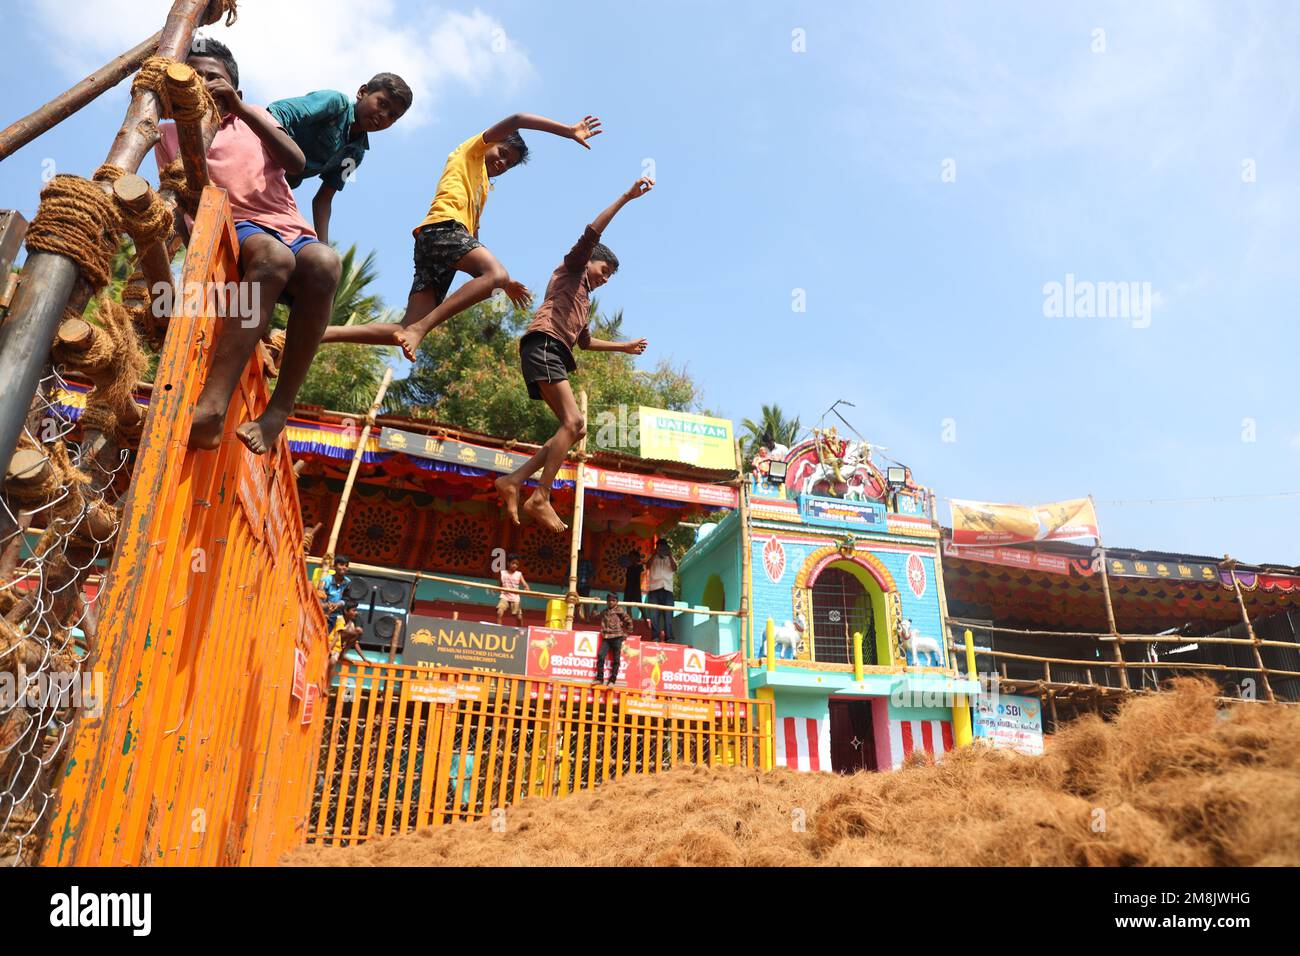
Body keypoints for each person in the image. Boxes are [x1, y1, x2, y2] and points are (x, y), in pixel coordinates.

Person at [155, 38, 343, 455]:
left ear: (233, 89)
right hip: (231, 225)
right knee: (273, 258)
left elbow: (296, 163)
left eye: (214, 77)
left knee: (325, 263)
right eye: (194, 76)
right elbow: (177, 196)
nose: (204, 83)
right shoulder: (168, 134)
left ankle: (278, 410)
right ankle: (213, 406)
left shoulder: (254, 117)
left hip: (286, 224)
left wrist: (241, 110)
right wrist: (192, 251)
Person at [320, 111, 604, 361]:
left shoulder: (483, 188)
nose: (503, 163)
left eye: (509, 164)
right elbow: (518, 119)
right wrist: (567, 131)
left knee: (404, 329)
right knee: (494, 276)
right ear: (490, 142)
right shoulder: (470, 153)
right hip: (441, 229)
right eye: (503, 153)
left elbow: (473, 238)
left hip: (439, 245)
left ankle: (324, 333)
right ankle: (422, 328)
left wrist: (505, 284)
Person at [493, 177, 654, 532]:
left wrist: (624, 347)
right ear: (590, 261)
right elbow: (592, 232)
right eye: (604, 271)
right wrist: (626, 197)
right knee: (574, 421)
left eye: (610, 277)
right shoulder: (573, 269)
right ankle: (540, 496)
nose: (605, 279)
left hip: (553, 350)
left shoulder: (583, 299)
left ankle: (514, 480)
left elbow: (584, 342)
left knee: (575, 429)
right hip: (544, 344)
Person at [267, 74, 412, 244]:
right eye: (382, 104)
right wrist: (287, 153)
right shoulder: (335, 103)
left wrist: (324, 245)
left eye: (392, 115)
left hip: (277, 188)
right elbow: (276, 112)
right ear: (362, 92)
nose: (384, 115)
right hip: (260, 159)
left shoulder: (356, 155)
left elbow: (324, 199)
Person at [591, 592, 634, 686]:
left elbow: (629, 621)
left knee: (616, 660)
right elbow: (594, 616)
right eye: (609, 600)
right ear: (607, 601)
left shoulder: (620, 610)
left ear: (617, 602)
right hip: (606, 638)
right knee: (601, 656)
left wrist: (626, 634)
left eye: (613, 600)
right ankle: (599, 679)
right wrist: (595, 604)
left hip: (617, 637)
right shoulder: (605, 611)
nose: (611, 602)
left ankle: (612, 680)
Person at [645, 540, 677, 643]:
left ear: (667, 548)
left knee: (668, 615)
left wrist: (670, 555)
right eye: (660, 547)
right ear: (657, 548)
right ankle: (655, 637)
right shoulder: (652, 557)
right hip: (654, 589)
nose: (662, 549)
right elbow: (647, 566)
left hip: (667, 590)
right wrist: (655, 554)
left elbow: (675, 568)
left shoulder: (670, 558)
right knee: (654, 615)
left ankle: (669, 637)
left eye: (664, 547)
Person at [328, 601, 366, 677]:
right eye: (354, 610)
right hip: (331, 644)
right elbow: (337, 635)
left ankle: (342, 654)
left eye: (356, 611)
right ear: (346, 611)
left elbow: (355, 643)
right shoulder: (339, 618)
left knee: (357, 630)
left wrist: (364, 658)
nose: (356, 613)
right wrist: (329, 648)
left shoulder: (352, 624)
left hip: (338, 648)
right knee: (332, 663)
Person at [318, 555, 352, 630]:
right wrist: (327, 605)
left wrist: (337, 604)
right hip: (322, 614)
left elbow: (346, 599)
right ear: (334, 567)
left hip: (337, 616)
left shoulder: (348, 582)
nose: (344, 567)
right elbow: (319, 598)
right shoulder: (325, 580)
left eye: (346, 566)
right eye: (341, 565)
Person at [496, 555, 528, 626]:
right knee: (499, 613)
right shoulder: (502, 573)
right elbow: (500, 585)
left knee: (519, 618)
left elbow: (525, 584)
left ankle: (520, 630)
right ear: (508, 563)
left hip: (515, 598)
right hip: (505, 596)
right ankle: (498, 629)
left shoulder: (519, 574)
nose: (515, 565)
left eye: (517, 564)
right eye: (513, 563)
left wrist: (526, 588)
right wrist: (498, 589)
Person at [575, 555, 595, 622]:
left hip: (585, 585)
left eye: (580, 554)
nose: (579, 556)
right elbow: (568, 572)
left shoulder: (586, 562)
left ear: (582, 554)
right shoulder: (574, 562)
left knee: (586, 602)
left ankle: (587, 618)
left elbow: (592, 572)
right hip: (576, 585)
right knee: (577, 602)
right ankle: (578, 619)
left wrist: (589, 580)